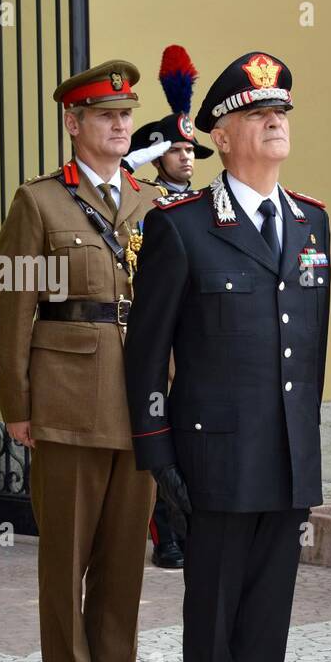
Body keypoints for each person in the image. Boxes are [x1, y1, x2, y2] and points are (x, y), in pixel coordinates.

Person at [125, 51, 329, 662]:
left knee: (266, 622)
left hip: (285, 458)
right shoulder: (181, 227)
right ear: (221, 133)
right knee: (212, 623)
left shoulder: (311, 221)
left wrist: (306, 445)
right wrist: (158, 452)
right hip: (212, 459)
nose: (276, 122)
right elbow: (145, 353)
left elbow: (308, 349)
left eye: (281, 111)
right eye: (258, 113)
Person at [0, 60, 170, 662]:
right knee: (66, 560)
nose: (120, 126)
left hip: (139, 400)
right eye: (106, 116)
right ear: (74, 123)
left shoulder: (152, 202)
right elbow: (14, 310)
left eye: (126, 115)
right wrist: (18, 403)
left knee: (126, 559)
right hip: (67, 400)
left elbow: (169, 308)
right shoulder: (39, 202)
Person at [125, 45, 217, 570]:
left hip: (196, 331)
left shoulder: (206, 203)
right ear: (156, 155)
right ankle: (166, 534)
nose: (187, 157)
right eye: (177, 150)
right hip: (158, 327)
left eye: (190, 150)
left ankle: (190, 521)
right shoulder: (142, 202)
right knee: (157, 427)